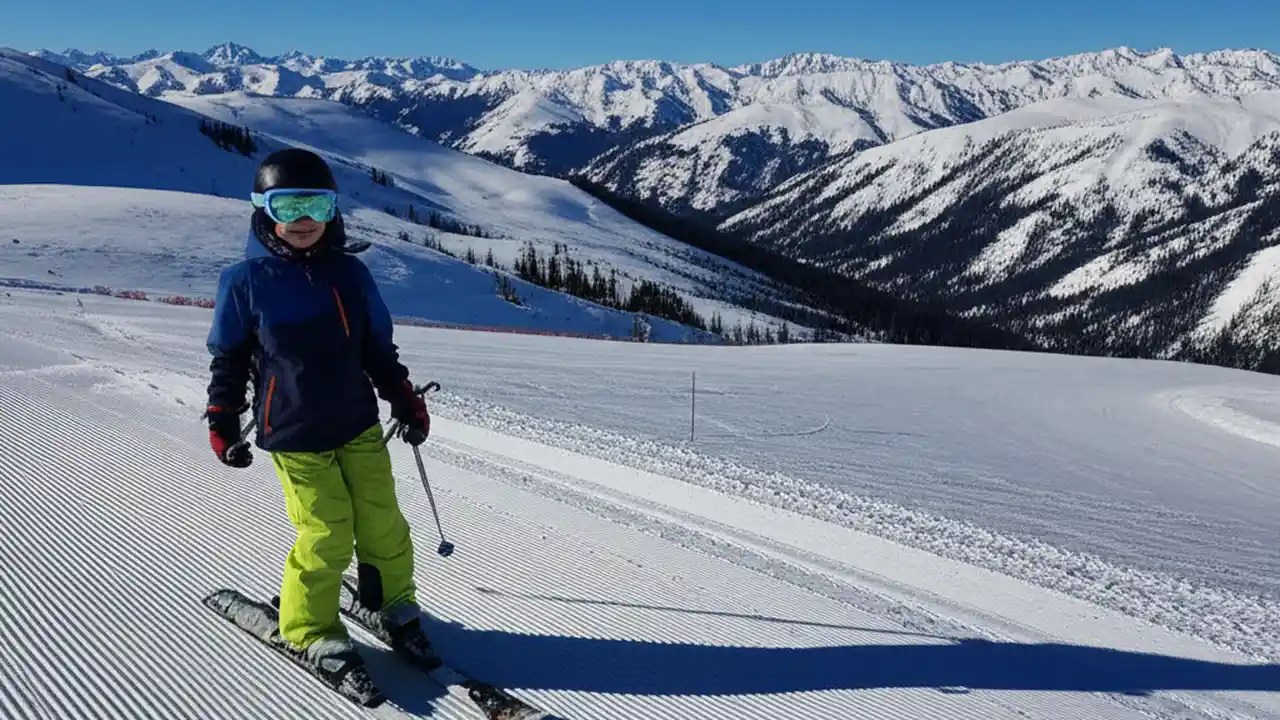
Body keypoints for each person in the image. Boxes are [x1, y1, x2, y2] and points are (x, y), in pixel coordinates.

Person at [205, 148, 439, 685]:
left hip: (357, 422)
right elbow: (229, 359)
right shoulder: (244, 281)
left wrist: (403, 397)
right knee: (327, 531)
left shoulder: (350, 274)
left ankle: (393, 603)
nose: (305, 219)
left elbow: (377, 349)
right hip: (294, 431)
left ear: (333, 210)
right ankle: (310, 628)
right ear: (264, 210)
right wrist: (222, 417)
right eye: (289, 207)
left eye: (317, 205)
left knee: (382, 520)